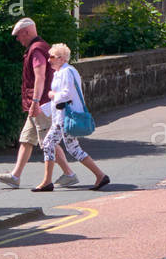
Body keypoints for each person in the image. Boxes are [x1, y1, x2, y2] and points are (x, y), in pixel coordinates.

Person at [0, 18, 73, 189]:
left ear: (27, 32)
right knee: (27, 139)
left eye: (19, 35)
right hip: (37, 104)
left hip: (40, 105)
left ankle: (69, 173)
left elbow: (40, 77)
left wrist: (35, 102)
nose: (17, 39)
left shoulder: (36, 50)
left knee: (47, 141)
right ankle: (15, 176)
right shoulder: (41, 47)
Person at [31, 44, 109, 192]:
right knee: (73, 148)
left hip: (65, 118)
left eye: (52, 57)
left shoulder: (67, 72)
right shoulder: (60, 72)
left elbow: (66, 95)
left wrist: (53, 96)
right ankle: (100, 175)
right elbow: (64, 98)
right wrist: (43, 109)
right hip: (62, 117)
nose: (49, 60)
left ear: (61, 58)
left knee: (48, 143)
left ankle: (47, 182)